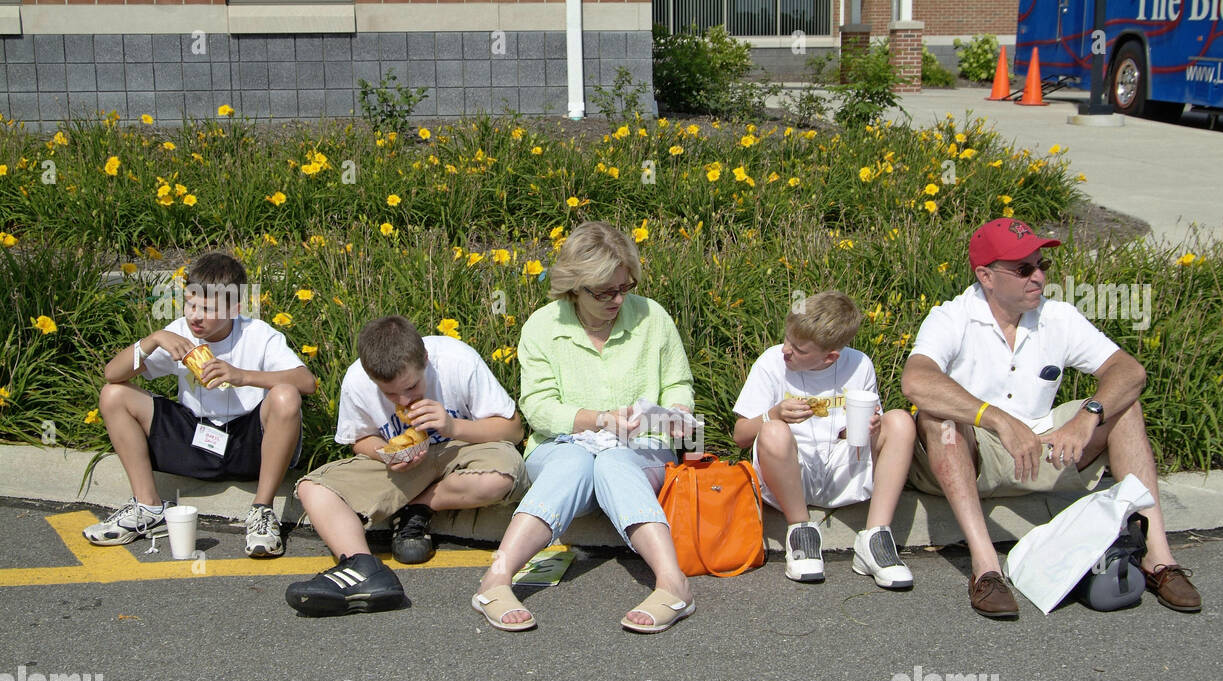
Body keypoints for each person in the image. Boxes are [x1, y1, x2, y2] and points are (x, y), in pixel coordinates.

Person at [901, 217, 1202, 619]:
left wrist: (1089, 415)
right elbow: (916, 381)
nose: (1038, 277)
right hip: (974, 456)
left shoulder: (1058, 316)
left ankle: (1159, 558)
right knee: (939, 420)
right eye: (1024, 269)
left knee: (1125, 405)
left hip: (1045, 447)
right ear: (985, 276)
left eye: (1042, 265)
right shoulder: (952, 317)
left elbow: (1129, 371)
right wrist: (996, 419)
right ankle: (986, 568)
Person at [470, 221, 696, 634]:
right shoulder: (542, 326)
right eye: (604, 291)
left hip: (638, 448)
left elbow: (678, 383)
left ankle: (672, 583)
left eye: (625, 287)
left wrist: (677, 414)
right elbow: (537, 407)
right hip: (561, 446)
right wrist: (599, 419)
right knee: (574, 463)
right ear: (573, 286)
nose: (618, 299)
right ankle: (496, 579)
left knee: (612, 462)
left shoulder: (653, 317)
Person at [285, 314, 525, 616]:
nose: (404, 399)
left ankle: (417, 508)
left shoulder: (456, 359)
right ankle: (362, 567)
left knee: (500, 476)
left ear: (424, 359)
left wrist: (452, 426)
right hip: (403, 465)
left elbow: (513, 429)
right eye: (389, 394)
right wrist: (385, 453)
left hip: (461, 450)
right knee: (312, 489)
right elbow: (359, 440)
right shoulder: (357, 380)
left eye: (411, 387)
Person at [84, 251, 314, 557]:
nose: (195, 316)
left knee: (286, 395)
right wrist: (152, 340)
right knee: (113, 394)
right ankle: (148, 507)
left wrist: (242, 376)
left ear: (235, 308)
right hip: (195, 438)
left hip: (249, 443)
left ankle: (262, 510)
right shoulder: (178, 332)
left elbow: (306, 382)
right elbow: (112, 374)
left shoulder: (258, 335)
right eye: (190, 304)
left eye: (206, 309)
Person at [732, 290, 916, 586]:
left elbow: (865, 428)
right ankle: (800, 530)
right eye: (788, 340)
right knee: (774, 430)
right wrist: (774, 413)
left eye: (800, 350)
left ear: (830, 356)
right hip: (791, 474)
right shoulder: (771, 362)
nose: (787, 351)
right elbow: (740, 435)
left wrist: (870, 427)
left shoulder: (858, 365)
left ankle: (875, 536)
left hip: (845, 465)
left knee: (900, 421)